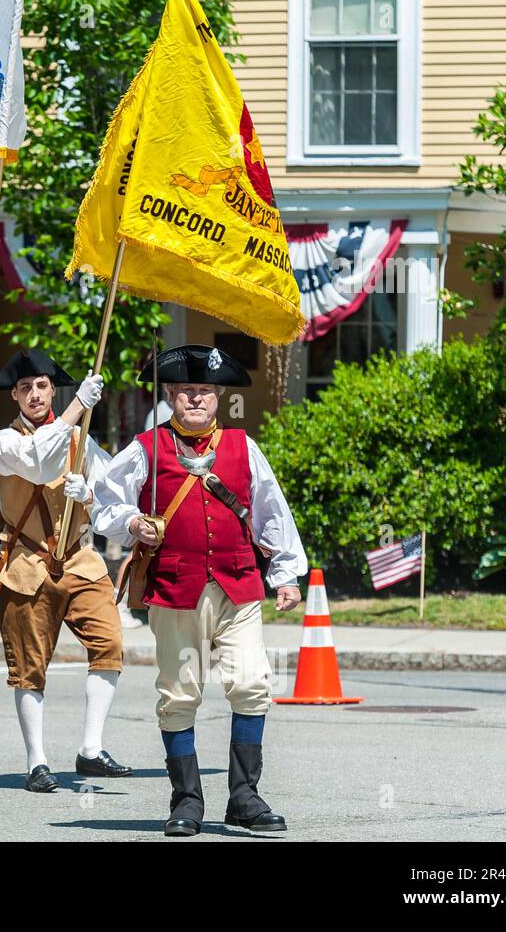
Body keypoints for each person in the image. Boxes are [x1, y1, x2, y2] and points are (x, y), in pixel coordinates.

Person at [92, 344, 306, 837]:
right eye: (186, 391)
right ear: (169, 395)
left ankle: (244, 799)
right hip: (174, 588)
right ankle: (186, 800)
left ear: (217, 398)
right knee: (179, 694)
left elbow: (271, 508)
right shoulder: (146, 448)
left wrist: (286, 573)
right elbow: (106, 500)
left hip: (237, 587)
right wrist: (131, 523)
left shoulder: (242, 446)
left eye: (205, 391)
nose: (195, 399)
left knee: (252, 683)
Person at [0, 349, 130, 792]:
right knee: (30, 668)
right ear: (14, 395)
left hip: (80, 557)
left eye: (42, 386)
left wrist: (88, 495)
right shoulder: (3, 442)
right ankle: (37, 761)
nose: (34, 394)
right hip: (27, 562)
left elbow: (111, 493)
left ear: (52, 389)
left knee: (109, 643)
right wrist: (77, 407)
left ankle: (91, 750)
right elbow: (39, 461)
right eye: (26, 387)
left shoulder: (80, 439)